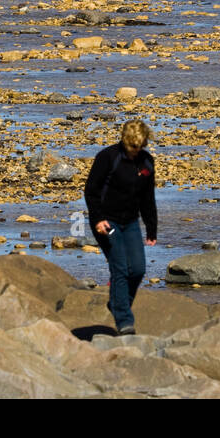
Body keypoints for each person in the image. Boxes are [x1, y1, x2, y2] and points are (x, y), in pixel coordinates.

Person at [84, 119, 157, 335]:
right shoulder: (108, 157)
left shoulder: (146, 162)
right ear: (125, 141)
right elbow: (91, 191)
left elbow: (147, 198)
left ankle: (117, 303)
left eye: (140, 146)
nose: (136, 150)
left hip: (131, 222)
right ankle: (124, 321)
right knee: (120, 268)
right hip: (107, 222)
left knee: (138, 269)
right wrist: (98, 219)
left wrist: (152, 229)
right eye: (133, 146)